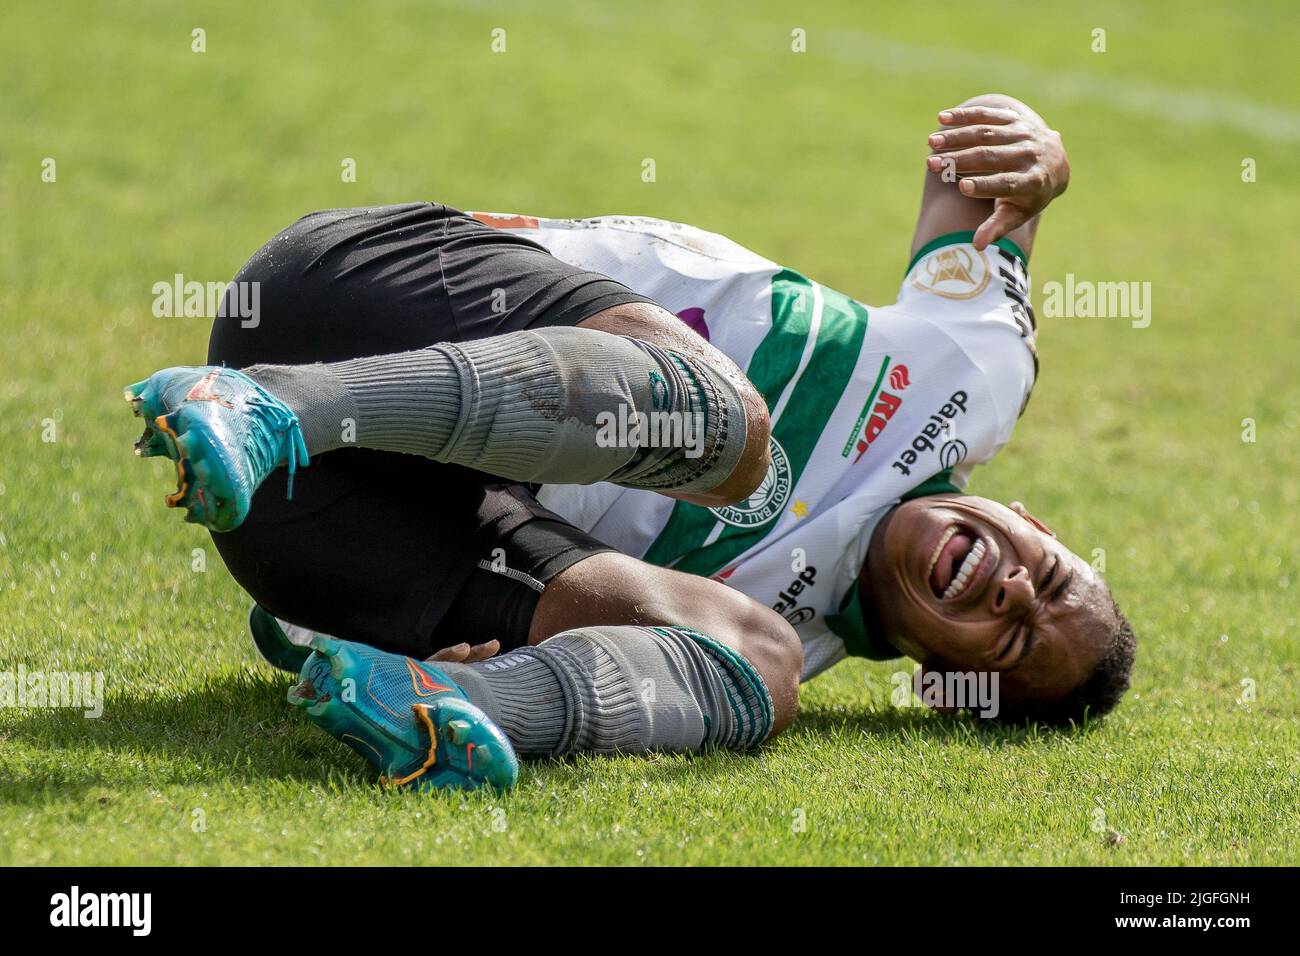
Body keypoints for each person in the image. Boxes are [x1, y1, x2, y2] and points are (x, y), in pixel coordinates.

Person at [125, 94, 1134, 792]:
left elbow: (513, 588)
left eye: (1010, 639)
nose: (1012, 590)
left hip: (307, 525)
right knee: (726, 431)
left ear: (943, 692)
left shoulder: (767, 637)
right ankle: (275, 405)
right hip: (363, 289)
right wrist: (1036, 148)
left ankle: (436, 705)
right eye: (1046, 575)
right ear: (1031, 521)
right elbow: (971, 161)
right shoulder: (975, 374)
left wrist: (477, 658)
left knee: (758, 663)